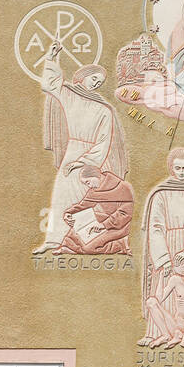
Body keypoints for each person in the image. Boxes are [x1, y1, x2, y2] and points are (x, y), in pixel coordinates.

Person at [35, 39, 128, 253]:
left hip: (91, 159)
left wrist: (83, 163)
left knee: (87, 200)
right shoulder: (69, 95)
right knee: (62, 196)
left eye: (100, 81)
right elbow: (50, 84)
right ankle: (53, 242)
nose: (96, 83)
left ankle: (82, 245)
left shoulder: (104, 109)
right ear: (84, 76)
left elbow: (104, 141)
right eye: (94, 78)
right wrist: (51, 58)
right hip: (73, 149)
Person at [139, 148, 184, 322]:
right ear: (171, 168)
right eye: (178, 168)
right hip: (168, 247)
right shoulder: (161, 193)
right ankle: (163, 332)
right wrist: (164, 259)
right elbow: (155, 227)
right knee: (167, 291)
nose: (181, 172)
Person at [56, 165, 134, 254]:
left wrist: (104, 225)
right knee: (80, 225)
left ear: (97, 176)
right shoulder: (94, 190)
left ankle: (122, 244)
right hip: (106, 221)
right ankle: (67, 246)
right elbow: (82, 205)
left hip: (120, 225)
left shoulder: (122, 187)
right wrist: (68, 213)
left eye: (88, 182)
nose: (88, 186)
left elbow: (125, 213)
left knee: (88, 248)